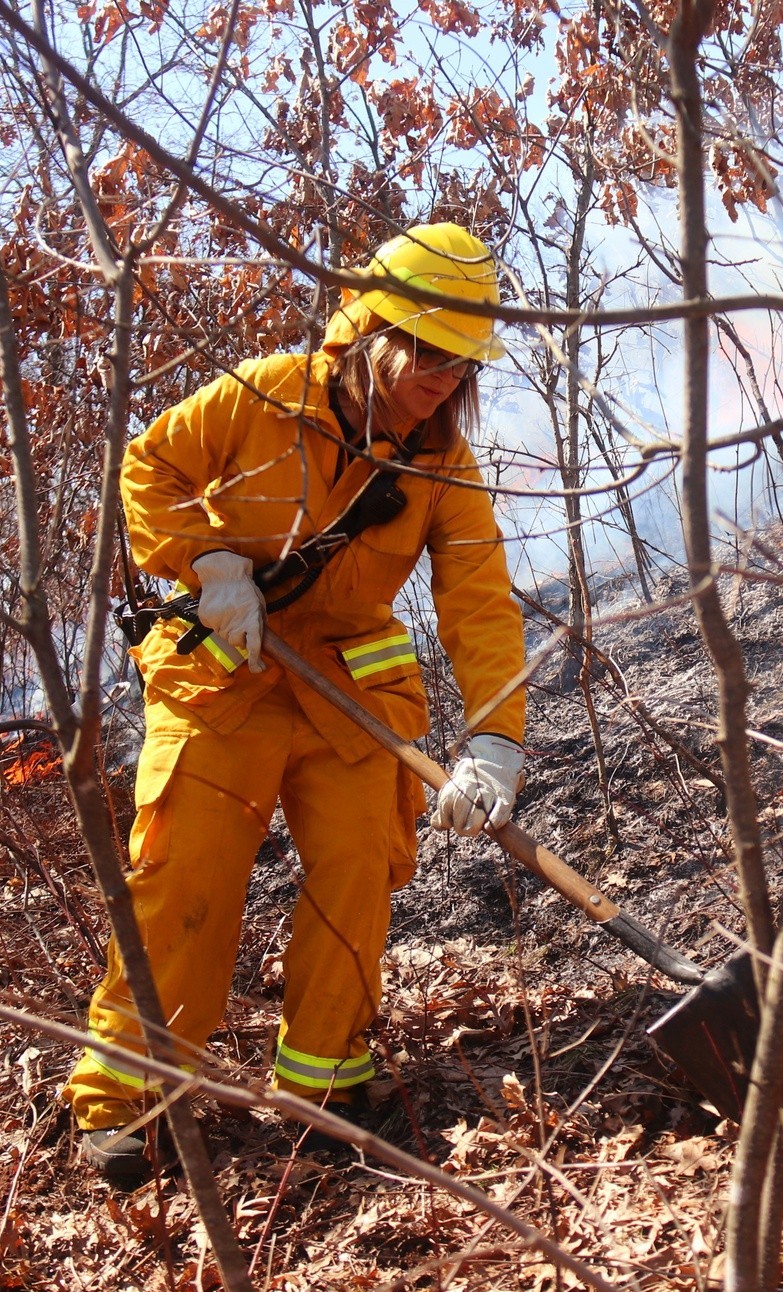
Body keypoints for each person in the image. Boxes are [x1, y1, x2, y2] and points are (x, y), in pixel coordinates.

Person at [64, 222, 530, 1189]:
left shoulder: (441, 466)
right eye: (429, 350)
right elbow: (147, 467)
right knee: (186, 876)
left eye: (462, 359)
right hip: (220, 672)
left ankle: (324, 1081)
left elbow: (478, 598)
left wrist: (494, 737)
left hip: (351, 688)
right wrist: (210, 560)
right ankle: (127, 1099)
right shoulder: (264, 393)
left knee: (359, 866)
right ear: (371, 329)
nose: (445, 375)